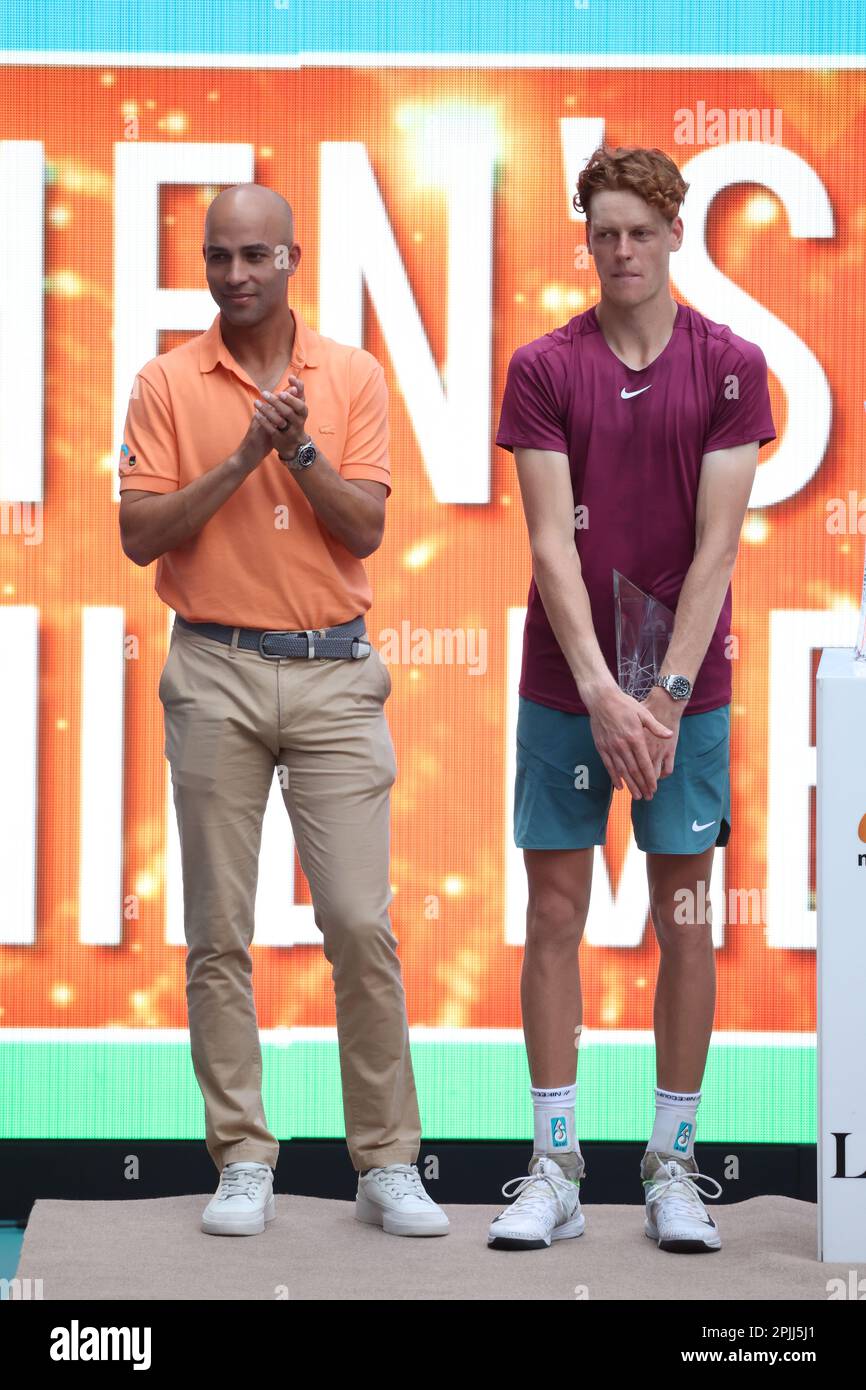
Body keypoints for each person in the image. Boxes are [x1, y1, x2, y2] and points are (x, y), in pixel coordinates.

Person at [118, 182, 448, 1239]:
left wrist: (297, 449)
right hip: (210, 664)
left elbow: (363, 533)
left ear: (294, 258)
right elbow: (138, 534)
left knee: (357, 920)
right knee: (217, 929)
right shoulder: (166, 381)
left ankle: (388, 1158)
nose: (235, 275)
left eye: (256, 255)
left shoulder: (349, 377)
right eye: (219, 257)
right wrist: (240, 456)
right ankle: (242, 1155)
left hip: (333, 672)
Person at [490, 145, 776, 1253]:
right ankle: (553, 1166)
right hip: (568, 689)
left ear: (671, 233)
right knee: (553, 915)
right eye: (600, 233)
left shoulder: (733, 365)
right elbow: (550, 553)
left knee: (685, 918)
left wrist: (656, 699)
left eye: (636, 232)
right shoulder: (542, 367)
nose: (617, 251)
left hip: (682, 697)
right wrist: (605, 696)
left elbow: (715, 552)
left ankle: (671, 1163)